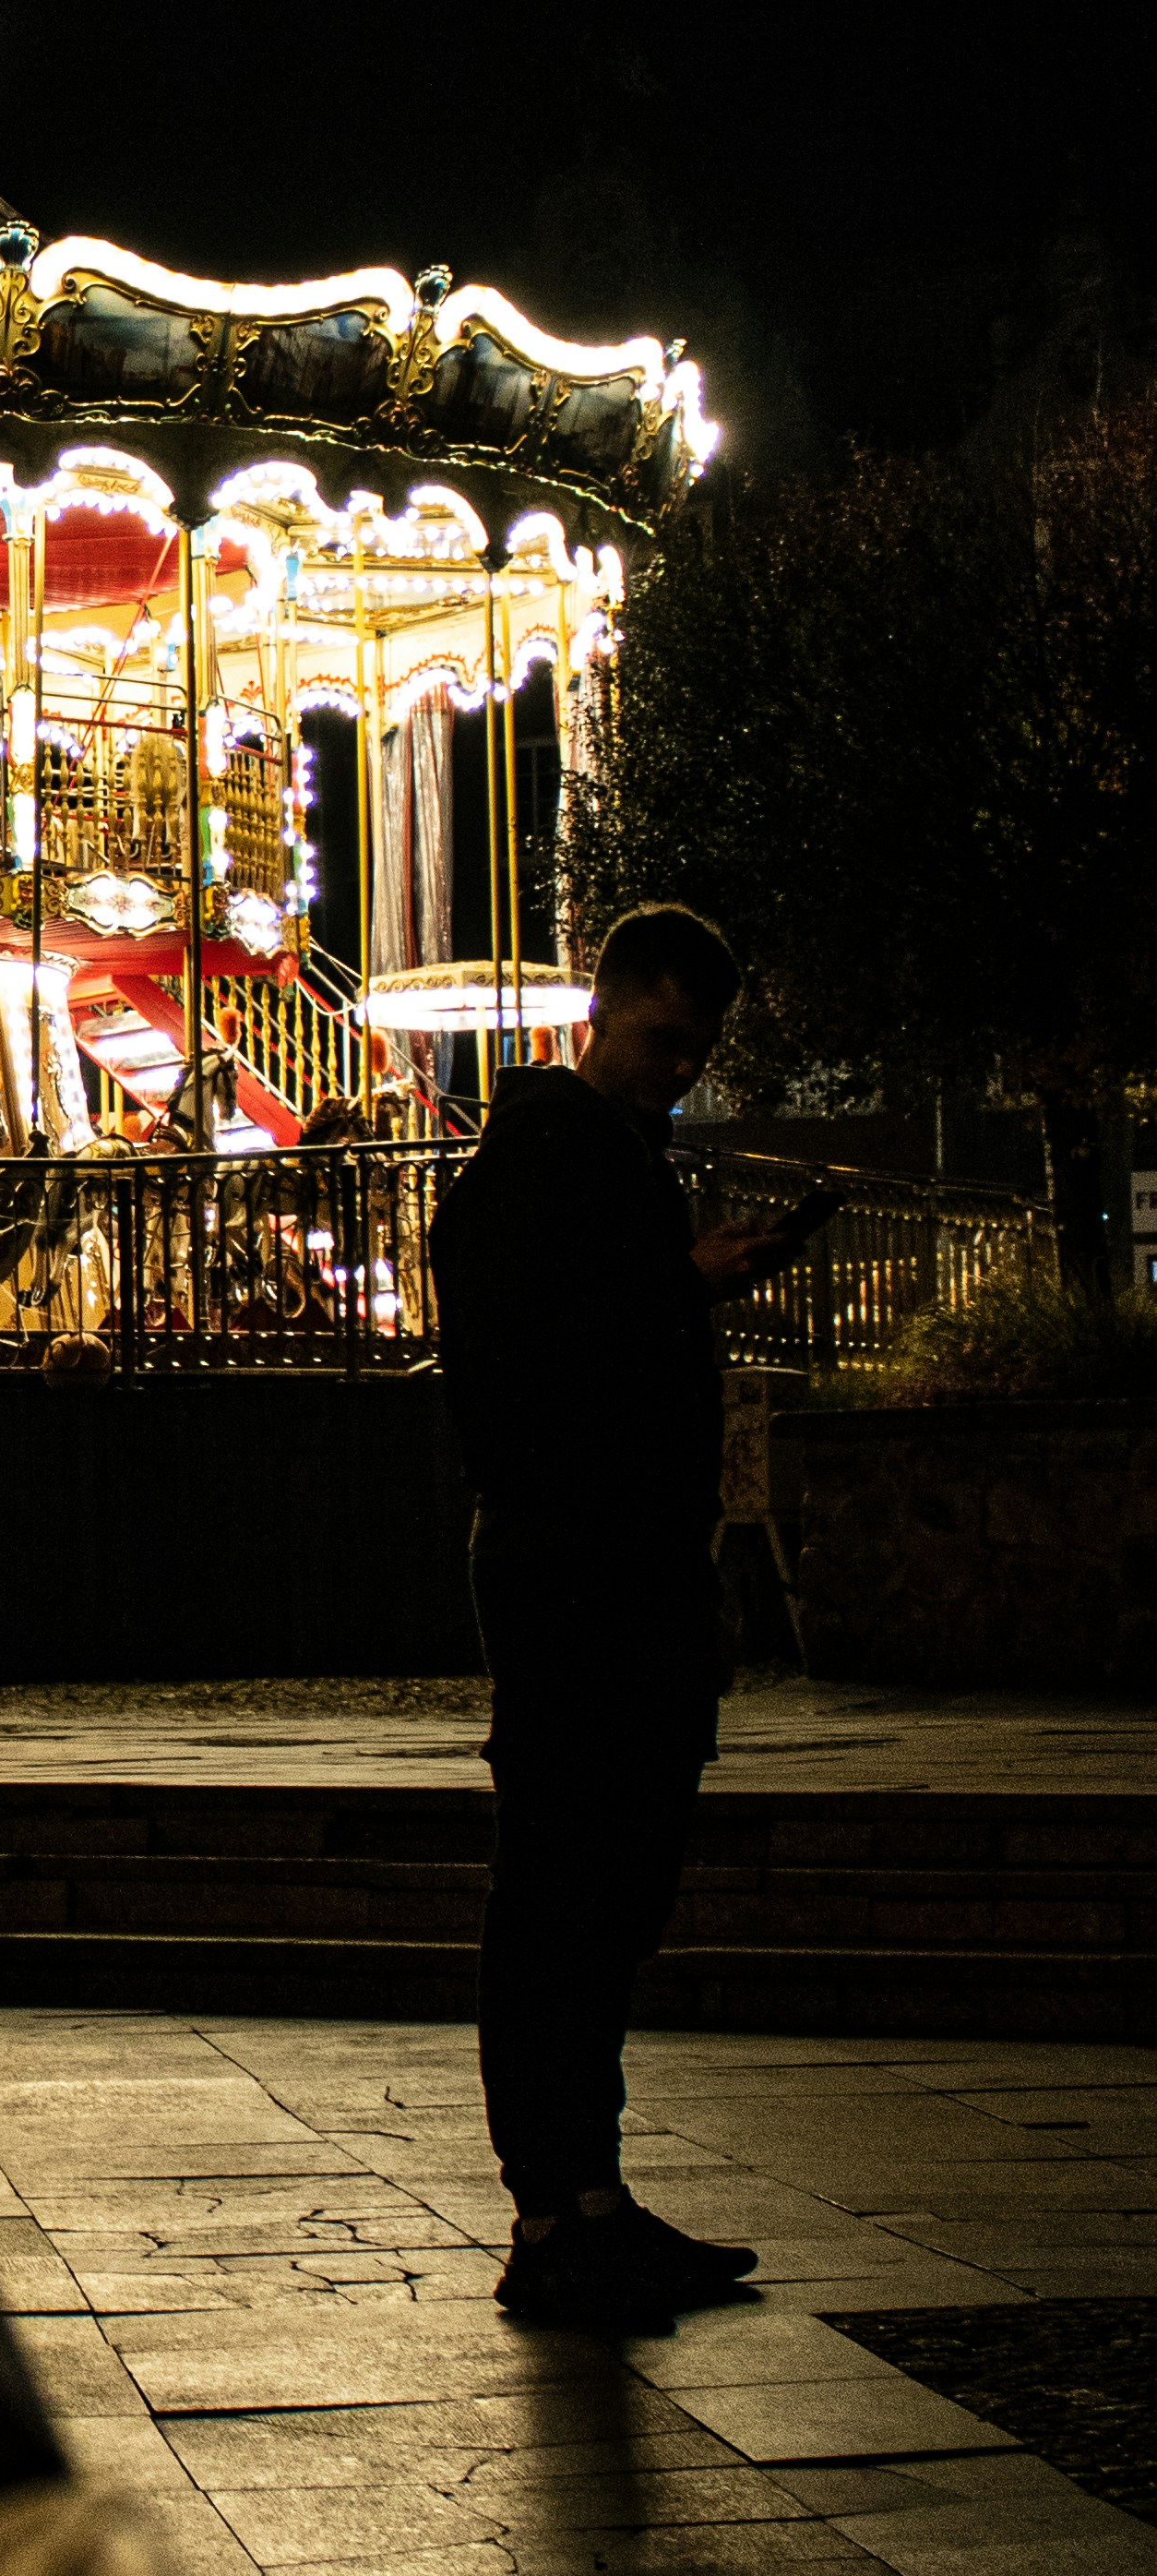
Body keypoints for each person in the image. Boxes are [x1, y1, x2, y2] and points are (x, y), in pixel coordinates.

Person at [429, 905, 837, 2329]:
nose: (677, 1067)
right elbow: (530, 1354)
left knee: (606, 1881)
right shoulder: (541, 1163)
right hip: (573, 1560)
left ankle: (587, 2193)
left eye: (694, 1048)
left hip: (624, 1558)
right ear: (598, 1012)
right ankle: (551, 2208)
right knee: (565, 1878)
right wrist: (680, 1283)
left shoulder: (603, 1161)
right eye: (661, 1038)